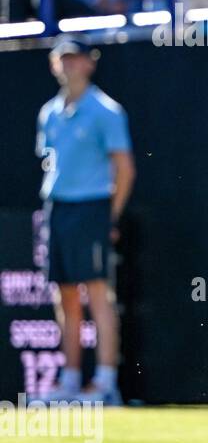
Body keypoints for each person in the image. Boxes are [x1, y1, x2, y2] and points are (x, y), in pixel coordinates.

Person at [34, 37, 136, 407]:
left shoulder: (106, 111)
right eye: (63, 59)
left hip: (92, 207)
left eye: (76, 59)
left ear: (89, 64)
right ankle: (71, 380)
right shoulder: (48, 113)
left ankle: (106, 382)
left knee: (96, 293)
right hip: (58, 208)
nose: (70, 65)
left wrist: (109, 215)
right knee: (64, 295)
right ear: (54, 65)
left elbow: (124, 169)